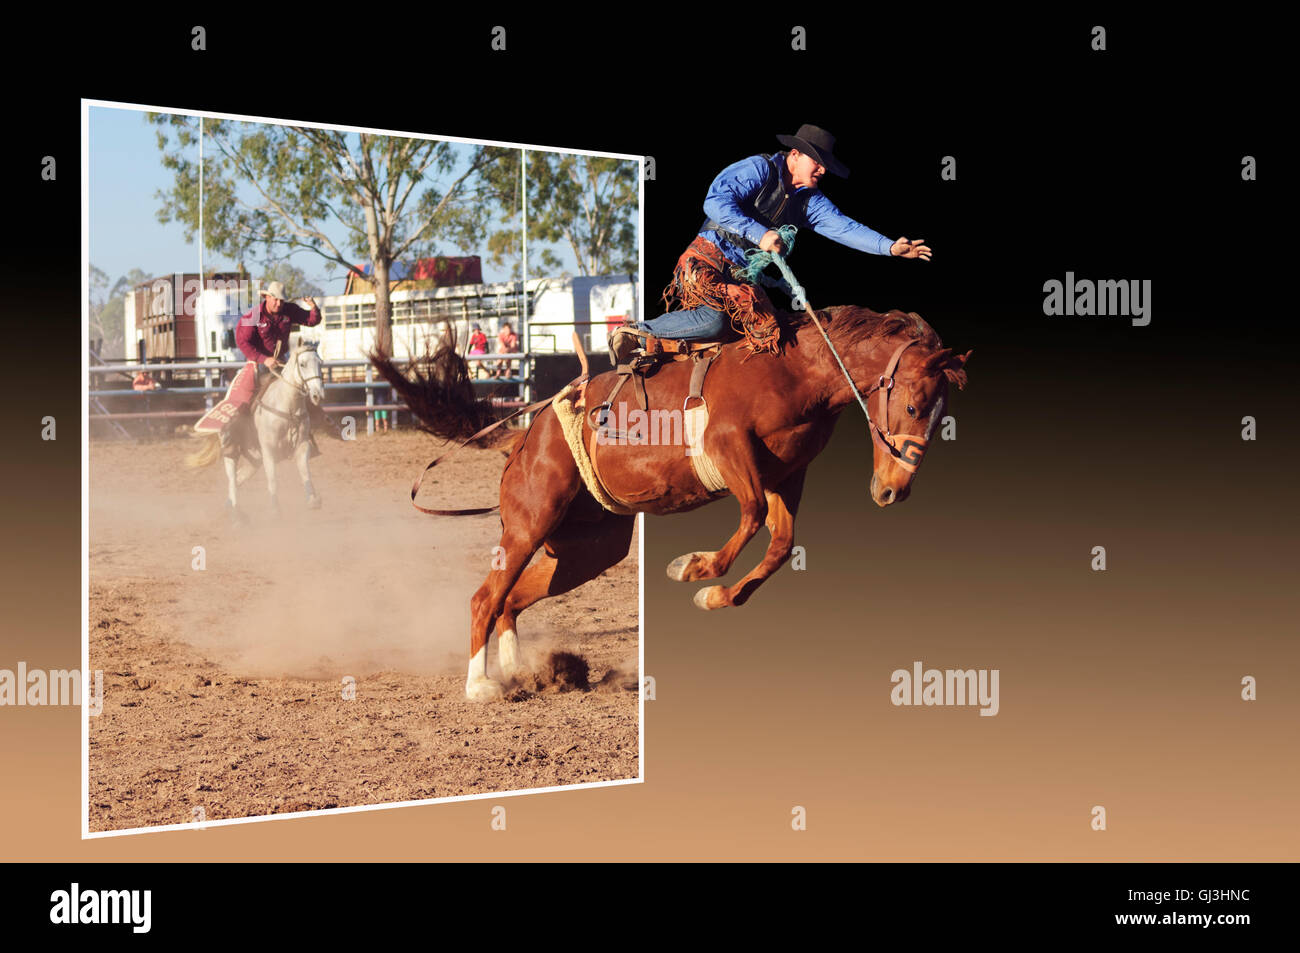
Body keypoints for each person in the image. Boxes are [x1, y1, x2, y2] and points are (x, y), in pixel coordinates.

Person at [610, 124, 932, 364]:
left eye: (825, 166)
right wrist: (759, 233)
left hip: (742, 276)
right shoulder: (759, 168)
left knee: (772, 333)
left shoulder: (811, 202)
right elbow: (715, 201)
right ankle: (636, 331)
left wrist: (889, 247)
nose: (821, 170)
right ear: (794, 156)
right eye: (816, 161)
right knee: (716, 320)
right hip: (708, 260)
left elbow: (844, 227)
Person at [194, 280, 322, 436]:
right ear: (266, 298)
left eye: (281, 300)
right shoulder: (253, 316)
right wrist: (264, 359)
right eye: (275, 299)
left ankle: (309, 429)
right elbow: (243, 342)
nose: (278, 303)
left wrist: (313, 307)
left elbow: (312, 320)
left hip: (283, 359)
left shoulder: (289, 310)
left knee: (302, 388)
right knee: (244, 393)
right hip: (258, 361)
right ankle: (235, 434)